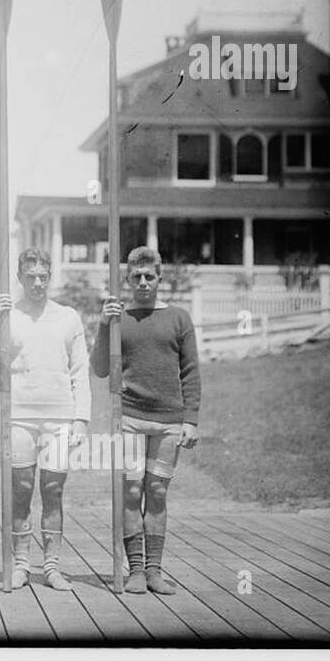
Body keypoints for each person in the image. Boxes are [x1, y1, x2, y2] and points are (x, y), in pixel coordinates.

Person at [91, 246, 201, 595]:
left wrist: (191, 420)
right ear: (126, 279)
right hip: (131, 419)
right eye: (135, 277)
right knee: (131, 490)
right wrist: (103, 324)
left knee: (156, 491)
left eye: (148, 276)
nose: (142, 282)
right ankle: (135, 570)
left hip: (170, 421)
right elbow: (99, 368)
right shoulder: (118, 317)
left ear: (159, 278)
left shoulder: (179, 318)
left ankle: (155, 571)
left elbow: (191, 372)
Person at [0, 247, 91, 590]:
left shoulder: (68, 316)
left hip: (59, 415)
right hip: (20, 416)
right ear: (20, 278)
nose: (38, 283)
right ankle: (22, 563)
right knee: (22, 489)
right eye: (31, 277)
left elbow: (80, 372)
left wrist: (81, 419)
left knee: (53, 489)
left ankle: (52, 566)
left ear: (50, 277)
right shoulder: (8, 314)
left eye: (43, 277)